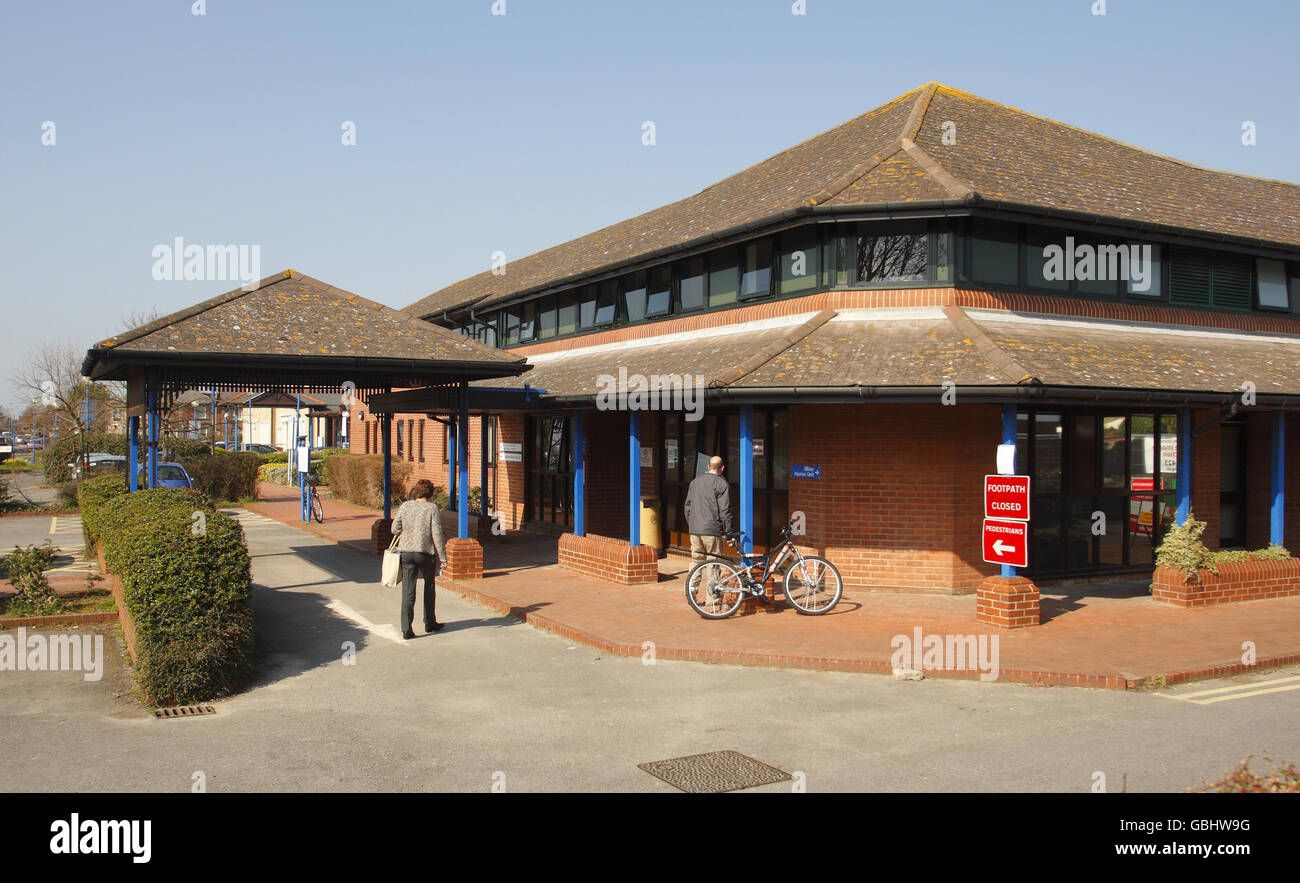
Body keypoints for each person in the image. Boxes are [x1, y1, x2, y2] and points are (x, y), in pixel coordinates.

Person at [390, 479, 448, 639]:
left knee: (408, 590)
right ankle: (430, 622)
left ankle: (406, 628)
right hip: (425, 552)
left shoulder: (405, 506)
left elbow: (394, 528)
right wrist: (443, 556)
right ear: (430, 493)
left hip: (406, 552)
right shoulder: (432, 508)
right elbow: (436, 533)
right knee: (429, 586)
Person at [684, 455, 732, 562]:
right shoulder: (722, 484)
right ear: (722, 468)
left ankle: (693, 579)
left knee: (696, 561)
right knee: (713, 561)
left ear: (708, 467)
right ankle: (712, 580)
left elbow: (687, 507)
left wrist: (691, 524)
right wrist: (728, 532)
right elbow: (725, 511)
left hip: (695, 528)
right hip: (712, 529)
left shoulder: (694, 482)